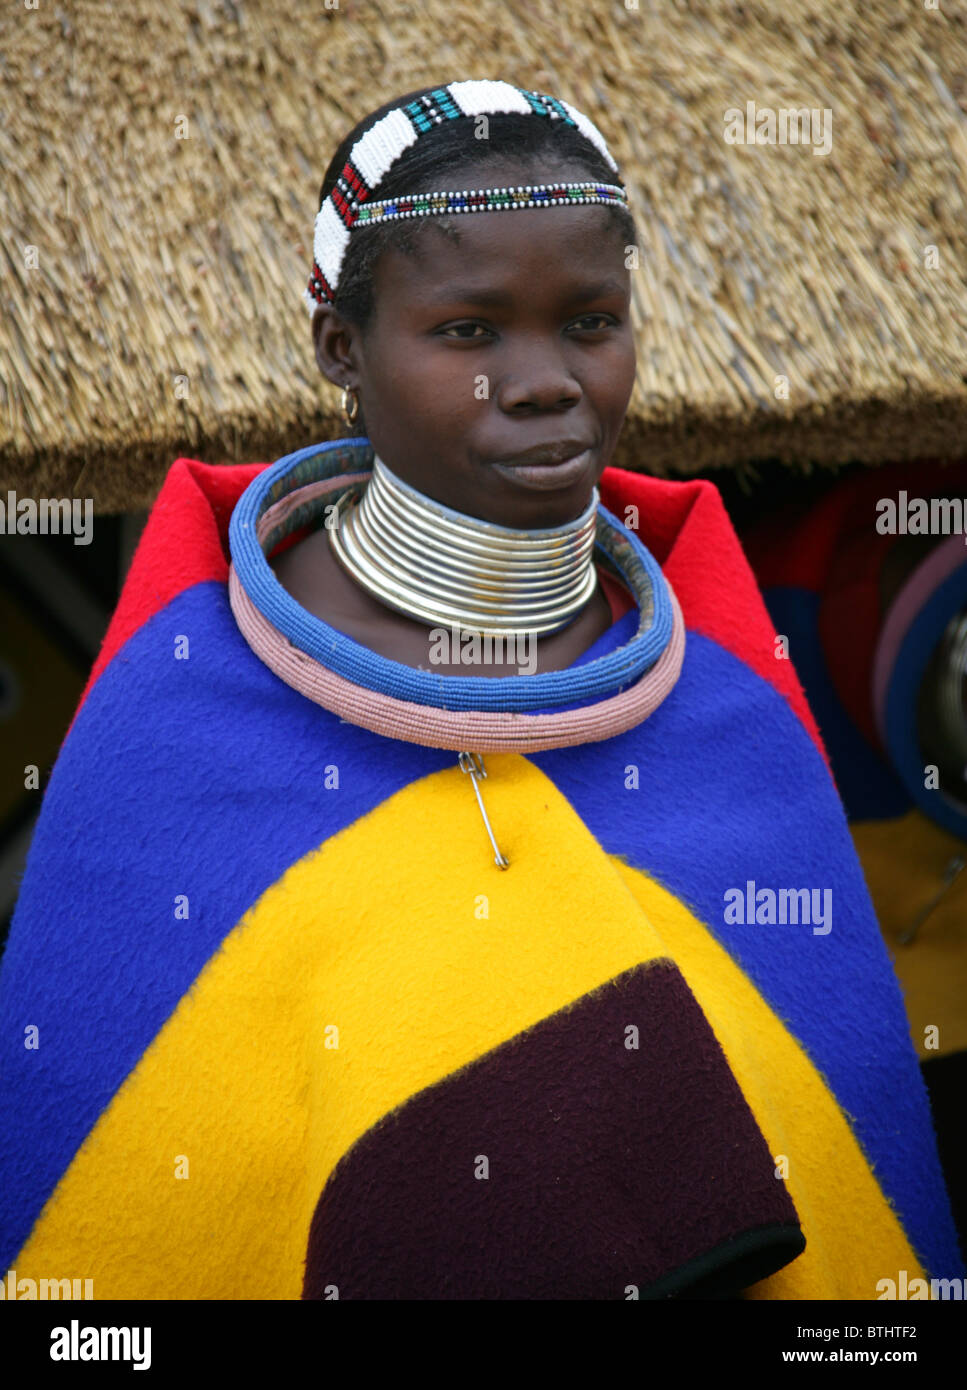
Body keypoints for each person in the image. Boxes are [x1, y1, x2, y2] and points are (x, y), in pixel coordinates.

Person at [0, 80, 961, 1301]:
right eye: (469, 332)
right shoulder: (180, 716)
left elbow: (836, 1150)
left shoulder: (722, 698)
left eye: (590, 322)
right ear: (340, 349)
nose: (546, 378)